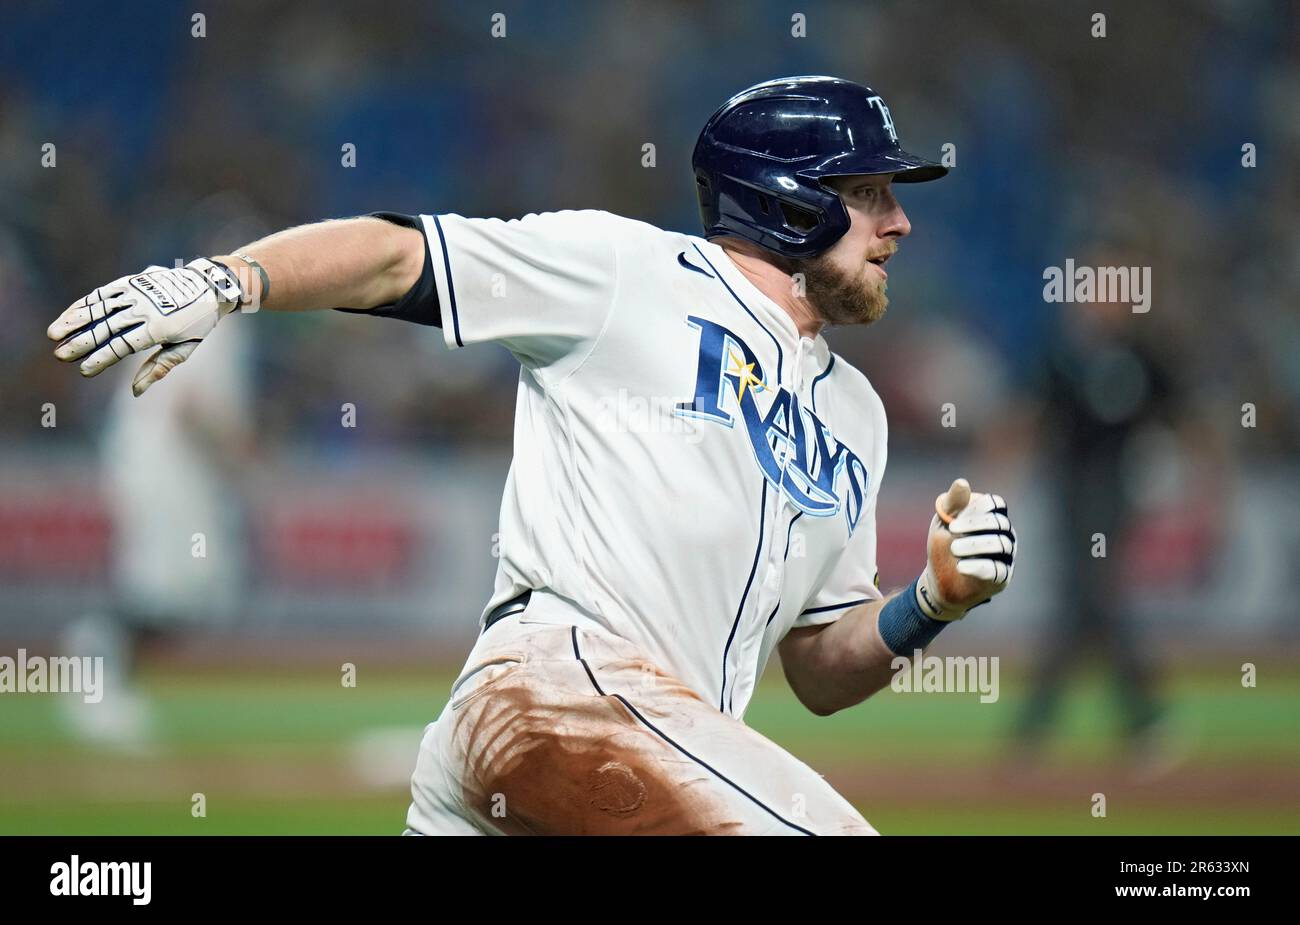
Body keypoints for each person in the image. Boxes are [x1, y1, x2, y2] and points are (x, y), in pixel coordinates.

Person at [47, 76, 1018, 835]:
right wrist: (227, 279)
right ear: (788, 200)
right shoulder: (627, 272)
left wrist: (926, 604)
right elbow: (398, 256)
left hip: (630, 755)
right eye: (867, 193)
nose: (898, 223)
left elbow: (817, 669)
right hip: (557, 691)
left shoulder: (857, 415)